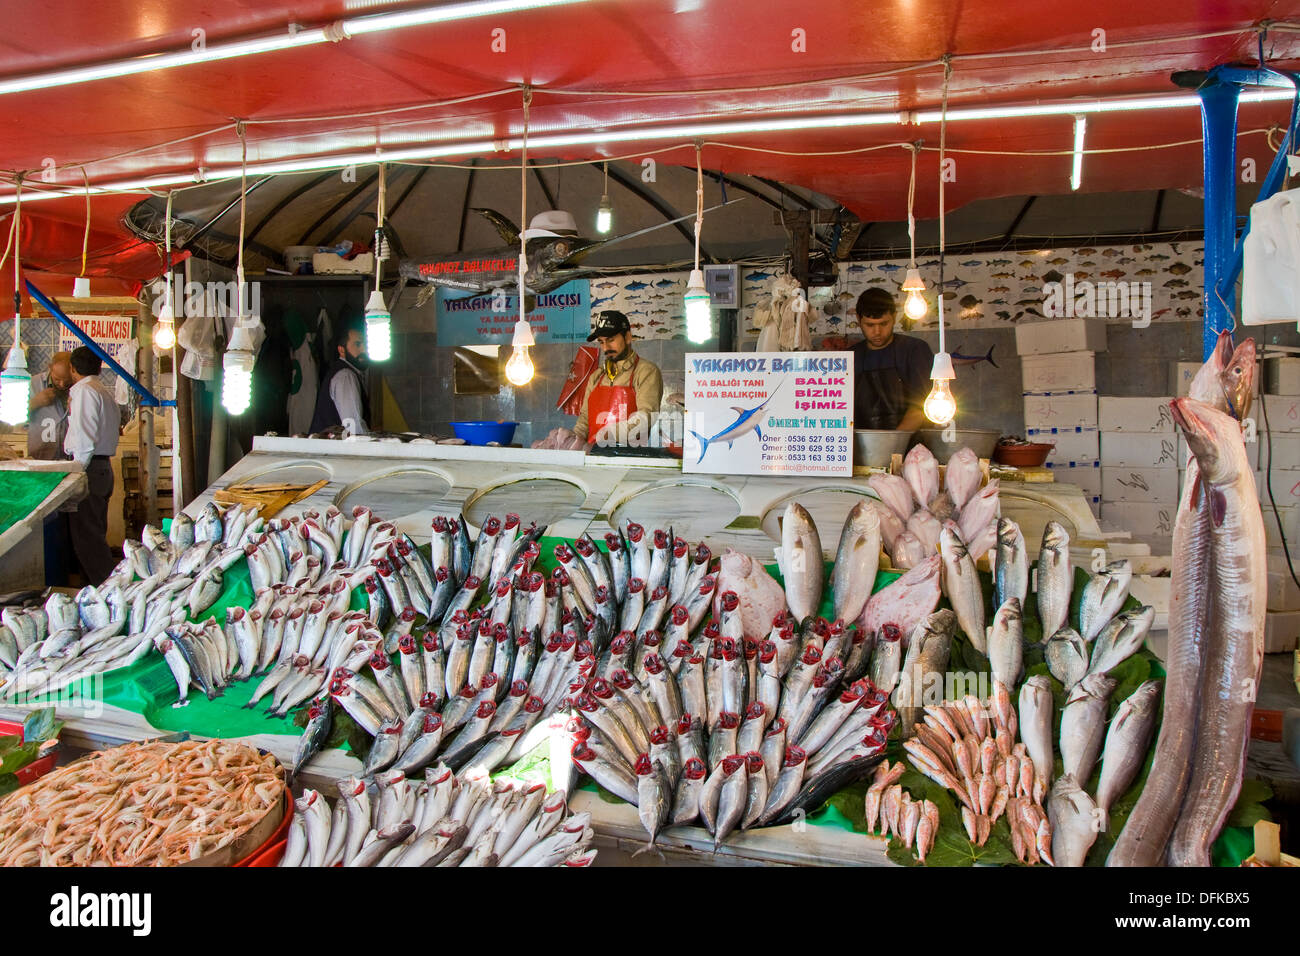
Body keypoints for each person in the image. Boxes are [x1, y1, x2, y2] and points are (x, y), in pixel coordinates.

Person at [63, 346, 121, 586]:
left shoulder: (85, 391)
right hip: (100, 468)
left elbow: (85, 439)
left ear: (72, 369)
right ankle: (93, 590)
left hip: (88, 469)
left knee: (88, 540)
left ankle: (106, 591)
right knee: (91, 534)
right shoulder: (102, 391)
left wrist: (77, 473)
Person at [571, 310, 662, 445]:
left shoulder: (646, 371)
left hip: (629, 457)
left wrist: (610, 434)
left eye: (611, 340)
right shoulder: (596, 376)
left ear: (628, 337)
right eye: (601, 342)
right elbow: (585, 417)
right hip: (593, 456)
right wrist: (573, 439)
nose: (606, 348)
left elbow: (646, 417)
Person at [851, 287, 935, 431]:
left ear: (894, 317)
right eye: (870, 325)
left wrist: (892, 442)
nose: (877, 332)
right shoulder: (851, 356)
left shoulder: (915, 350)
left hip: (912, 445)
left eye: (884, 324)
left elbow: (922, 405)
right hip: (864, 444)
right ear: (859, 319)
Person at [29, 352, 73, 584]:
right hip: (40, 464)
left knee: (66, 528)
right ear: (49, 369)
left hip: (68, 467)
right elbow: (8, 420)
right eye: (57, 379)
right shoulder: (32, 383)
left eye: (66, 380)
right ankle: (49, 579)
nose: (62, 384)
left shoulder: (77, 388)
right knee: (46, 526)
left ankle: (63, 578)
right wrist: (35, 403)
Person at [309, 323, 369, 435]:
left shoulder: (347, 373)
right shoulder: (346, 376)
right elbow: (352, 426)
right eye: (358, 344)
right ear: (342, 350)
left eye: (366, 344)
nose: (364, 350)